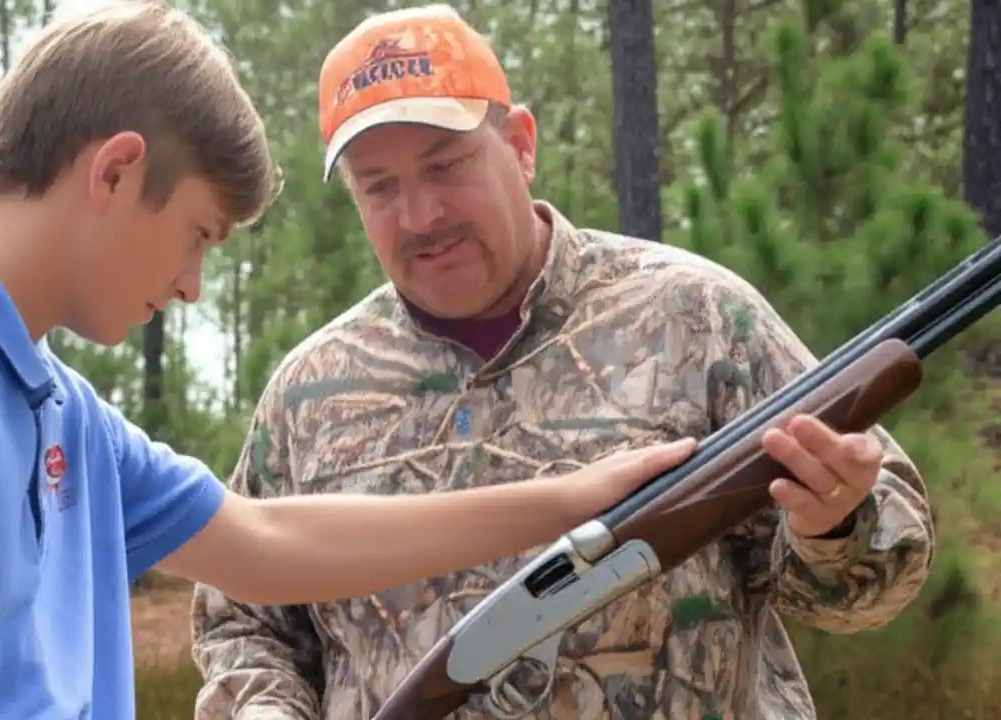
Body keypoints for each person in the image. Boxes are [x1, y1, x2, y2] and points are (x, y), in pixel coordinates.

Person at [0, 3, 706, 719]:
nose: (191, 284)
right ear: (114, 170)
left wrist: (572, 502)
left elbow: (264, 545)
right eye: (197, 234)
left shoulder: (48, 404)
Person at [190, 4, 935, 719]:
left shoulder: (694, 315)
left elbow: (875, 582)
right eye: (379, 188)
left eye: (446, 165)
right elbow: (241, 623)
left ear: (520, 144)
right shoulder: (309, 391)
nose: (420, 216)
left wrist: (835, 524)